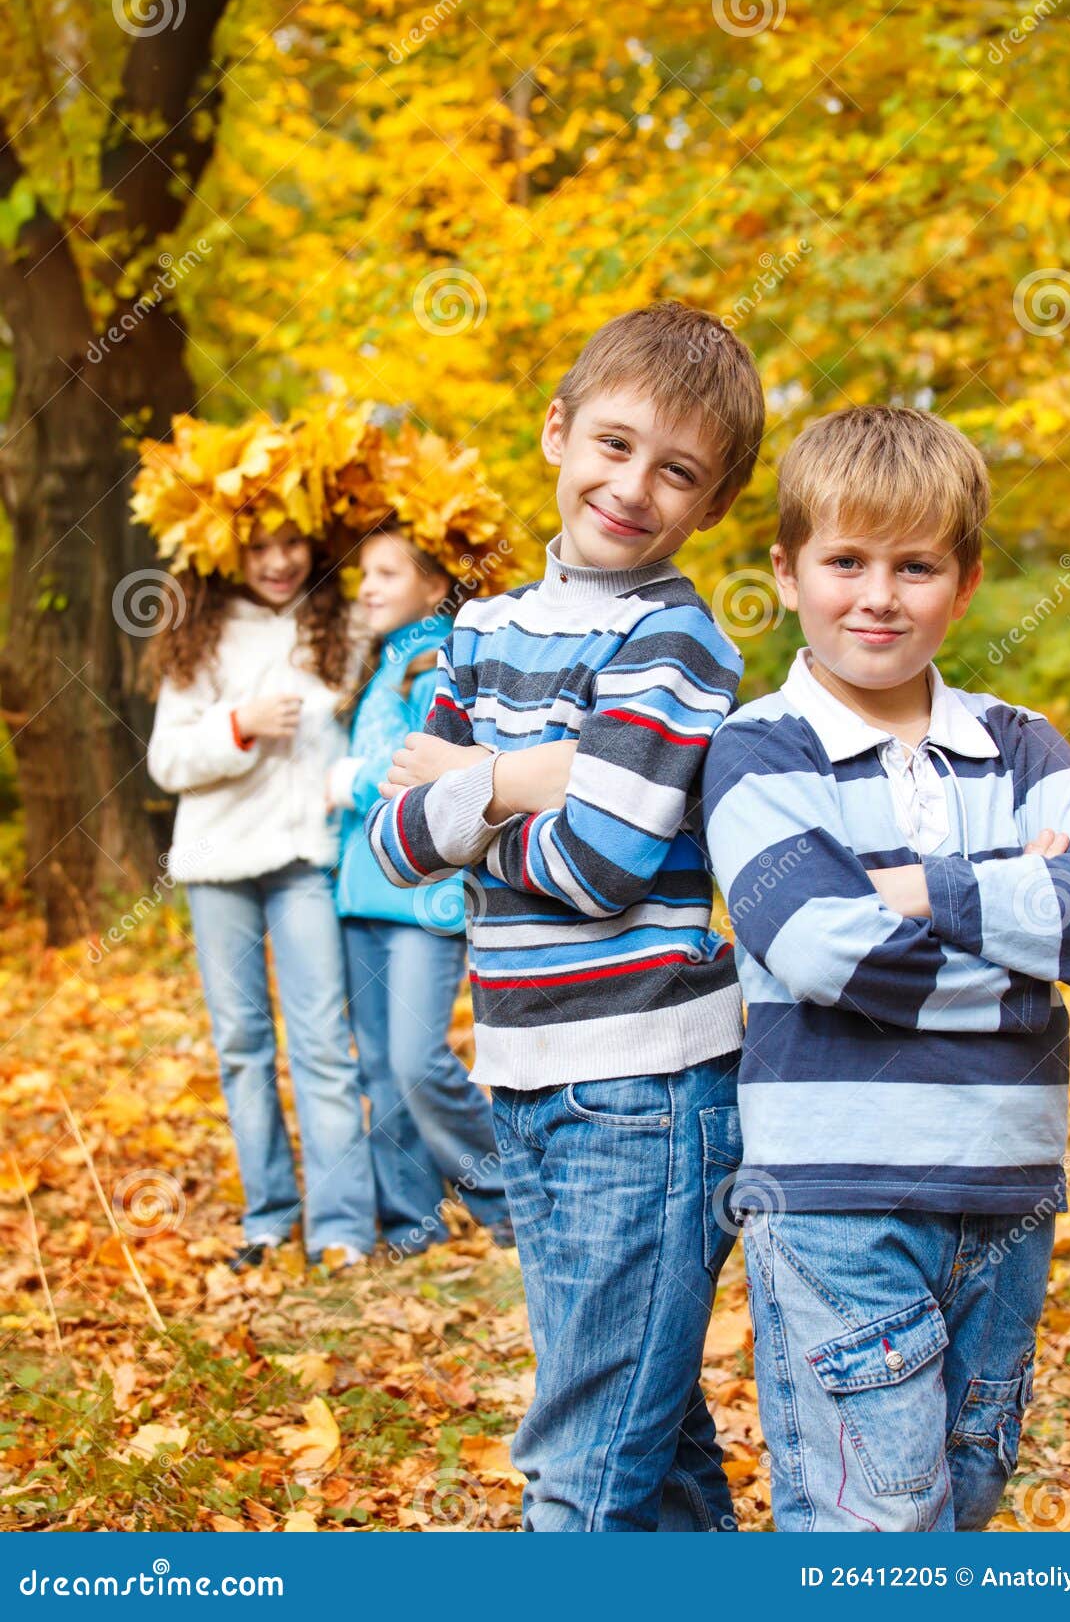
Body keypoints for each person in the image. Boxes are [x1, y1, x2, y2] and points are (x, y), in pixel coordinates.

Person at [702, 404, 1070, 1532]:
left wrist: (925, 889)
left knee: (965, 1499)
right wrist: (1019, 941)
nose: (877, 596)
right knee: (878, 1521)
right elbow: (816, 946)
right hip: (835, 1203)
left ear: (961, 582)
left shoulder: (1019, 742)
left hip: (1003, 1192)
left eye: (913, 566)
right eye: (844, 560)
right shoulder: (762, 747)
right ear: (786, 568)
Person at [367, 301, 766, 1530]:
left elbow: (600, 859)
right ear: (555, 433)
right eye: (611, 443)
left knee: (581, 1465)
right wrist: (545, 774)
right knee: (650, 1427)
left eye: (676, 470)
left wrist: (474, 781)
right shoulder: (477, 630)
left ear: (710, 501)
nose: (632, 485)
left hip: (644, 1084)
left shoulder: (677, 638)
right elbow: (389, 843)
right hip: (528, 1074)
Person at [145, 518, 376, 1271]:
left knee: (321, 1042)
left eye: (291, 542)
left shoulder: (339, 624)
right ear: (222, 551)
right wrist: (237, 726)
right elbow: (167, 761)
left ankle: (341, 1225)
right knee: (242, 1043)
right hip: (217, 863)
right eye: (256, 547)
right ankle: (269, 1216)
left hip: (305, 854)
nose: (278, 561)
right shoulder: (199, 631)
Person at [329, 522, 513, 1254]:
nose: (367, 587)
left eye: (387, 573)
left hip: (420, 897)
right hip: (359, 893)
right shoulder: (382, 662)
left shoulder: (439, 657)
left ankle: (506, 1198)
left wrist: (347, 781)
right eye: (364, 573)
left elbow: (437, 766)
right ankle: (412, 1222)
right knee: (378, 1066)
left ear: (435, 586)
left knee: (415, 1058)